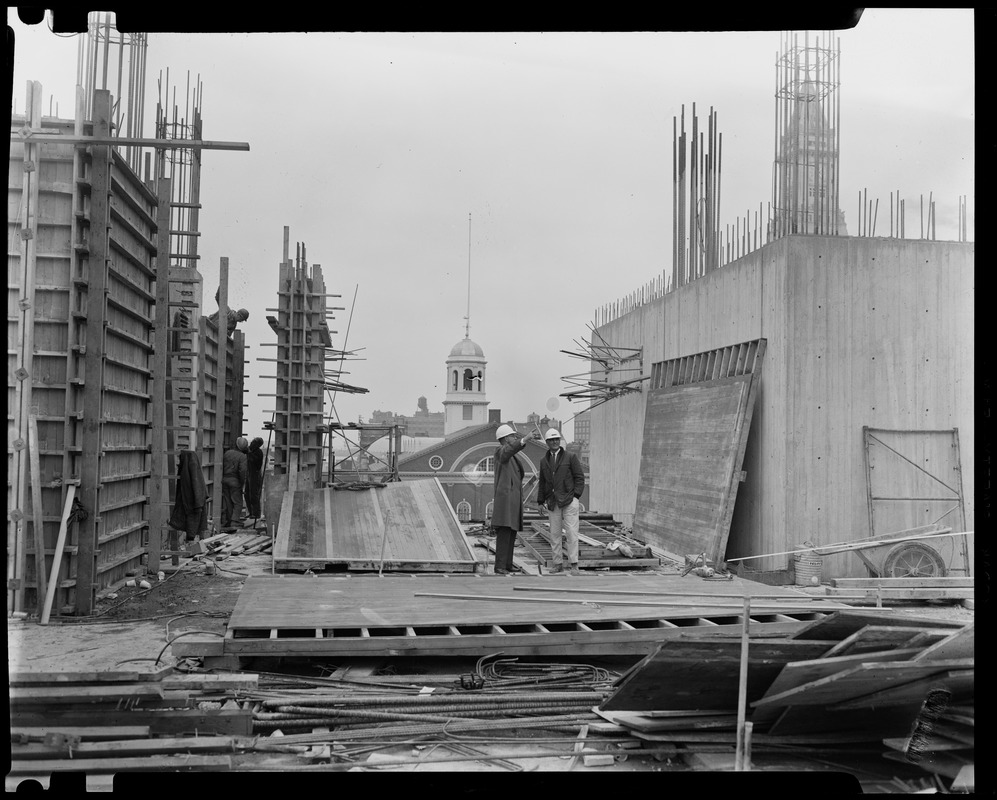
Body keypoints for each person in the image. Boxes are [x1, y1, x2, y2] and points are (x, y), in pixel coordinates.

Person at [489, 424, 540, 575]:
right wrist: (525, 439)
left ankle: (507, 564)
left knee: (510, 533)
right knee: (505, 533)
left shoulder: (511, 456)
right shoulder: (500, 451)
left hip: (512, 501)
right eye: (512, 436)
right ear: (505, 439)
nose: (515, 438)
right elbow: (509, 451)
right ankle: (500, 566)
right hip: (506, 502)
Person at [537, 428, 586, 575]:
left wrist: (576, 496)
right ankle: (557, 563)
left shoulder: (570, 457)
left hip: (569, 500)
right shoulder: (544, 461)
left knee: (571, 532)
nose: (554, 442)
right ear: (547, 442)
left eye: (557, 439)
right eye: (551, 440)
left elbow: (579, 477)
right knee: (555, 533)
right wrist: (540, 501)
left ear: (560, 441)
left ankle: (574, 564)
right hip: (553, 501)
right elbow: (543, 482)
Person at [220, 436, 249, 531]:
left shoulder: (227, 453)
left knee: (228, 502)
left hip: (225, 480)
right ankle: (234, 521)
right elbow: (242, 471)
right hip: (235, 481)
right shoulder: (242, 457)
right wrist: (241, 483)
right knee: (238, 503)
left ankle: (228, 521)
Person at [244, 437, 265, 522]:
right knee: (246, 494)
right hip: (249, 474)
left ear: (257, 445)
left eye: (254, 442)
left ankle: (256, 513)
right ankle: (251, 512)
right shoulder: (251, 451)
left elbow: (254, 461)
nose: (252, 443)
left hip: (255, 475)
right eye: (252, 441)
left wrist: (249, 453)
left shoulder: (258, 452)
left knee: (254, 495)